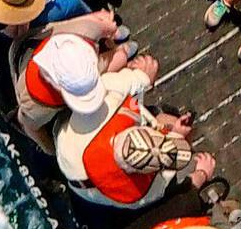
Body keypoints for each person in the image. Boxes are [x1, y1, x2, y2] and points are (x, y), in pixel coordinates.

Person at [54, 65, 216, 211]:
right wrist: (178, 136)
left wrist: (141, 77)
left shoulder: (101, 111)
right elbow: (164, 178)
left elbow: (110, 82)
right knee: (169, 122)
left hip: (74, 167)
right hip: (77, 174)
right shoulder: (149, 190)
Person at [9, 22, 143, 153]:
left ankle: (123, 51)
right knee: (102, 54)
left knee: (104, 66)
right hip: (64, 42)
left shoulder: (35, 109)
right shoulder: (24, 55)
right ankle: (118, 44)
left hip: (56, 83)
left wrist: (50, 149)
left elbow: (29, 126)